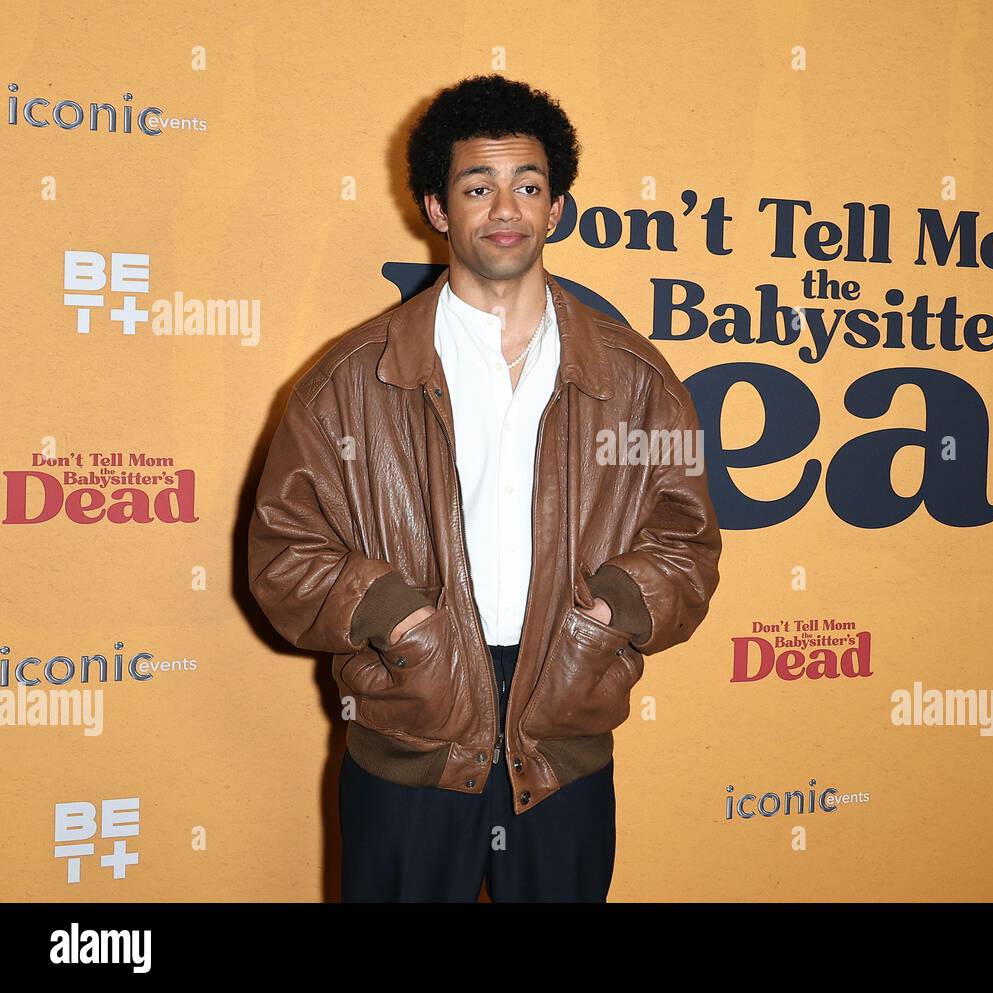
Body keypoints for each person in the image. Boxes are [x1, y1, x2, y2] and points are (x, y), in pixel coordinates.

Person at [247, 74, 722, 902]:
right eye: (478, 185)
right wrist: (395, 616)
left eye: (527, 185)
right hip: (409, 733)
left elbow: (685, 540)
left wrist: (611, 610)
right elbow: (285, 552)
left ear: (557, 207)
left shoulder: (637, 378)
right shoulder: (350, 381)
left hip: (564, 731)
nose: (506, 206)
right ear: (437, 208)